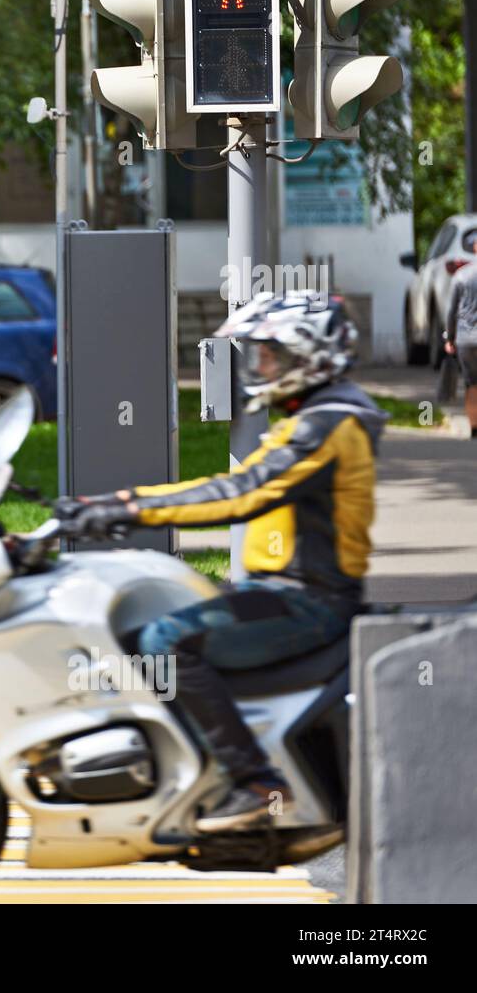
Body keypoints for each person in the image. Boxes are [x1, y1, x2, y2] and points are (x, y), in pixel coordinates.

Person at [53, 291, 386, 833]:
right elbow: (233, 485)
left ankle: (255, 782)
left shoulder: (329, 424)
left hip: (308, 601)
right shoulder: (317, 415)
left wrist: (130, 508)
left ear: (309, 355)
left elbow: (242, 493)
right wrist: (118, 503)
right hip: (282, 591)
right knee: (146, 622)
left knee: (167, 642)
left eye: (272, 355)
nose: (261, 367)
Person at [444, 261, 477, 437]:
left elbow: (451, 311)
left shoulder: (462, 275)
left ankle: (474, 427)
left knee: (472, 384)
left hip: (466, 339)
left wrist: (450, 338)